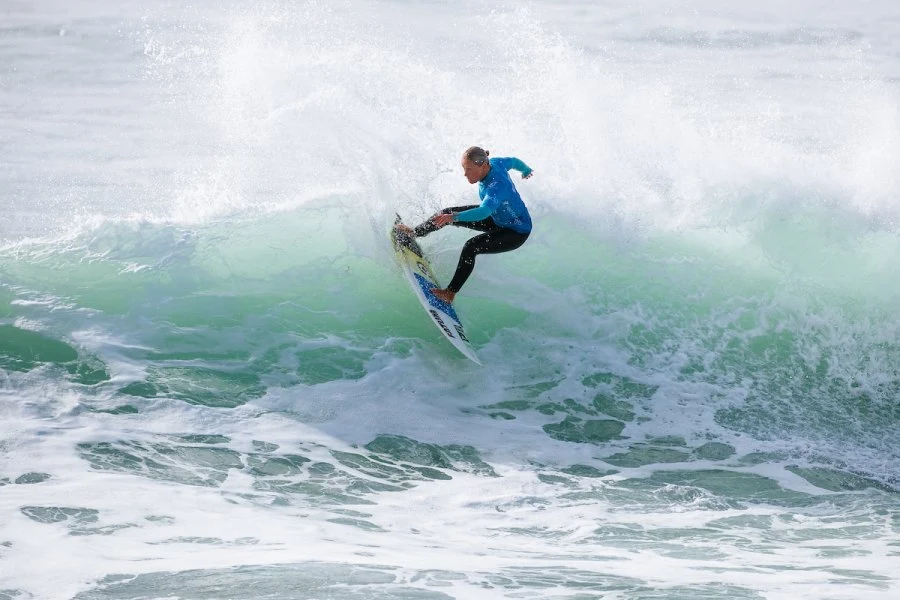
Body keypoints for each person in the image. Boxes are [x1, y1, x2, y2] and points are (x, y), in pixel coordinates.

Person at [397, 146, 534, 304]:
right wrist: (525, 169)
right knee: (446, 212)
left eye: (468, 169)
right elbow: (514, 161)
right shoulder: (495, 163)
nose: (465, 173)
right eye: (464, 168)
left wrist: (454, 217)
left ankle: (450, 293)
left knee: (471, 247)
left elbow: (483, 212)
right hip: (498, 218)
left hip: (516, 231)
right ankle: (413, 233)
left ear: (483, 166)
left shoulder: (497, 187)